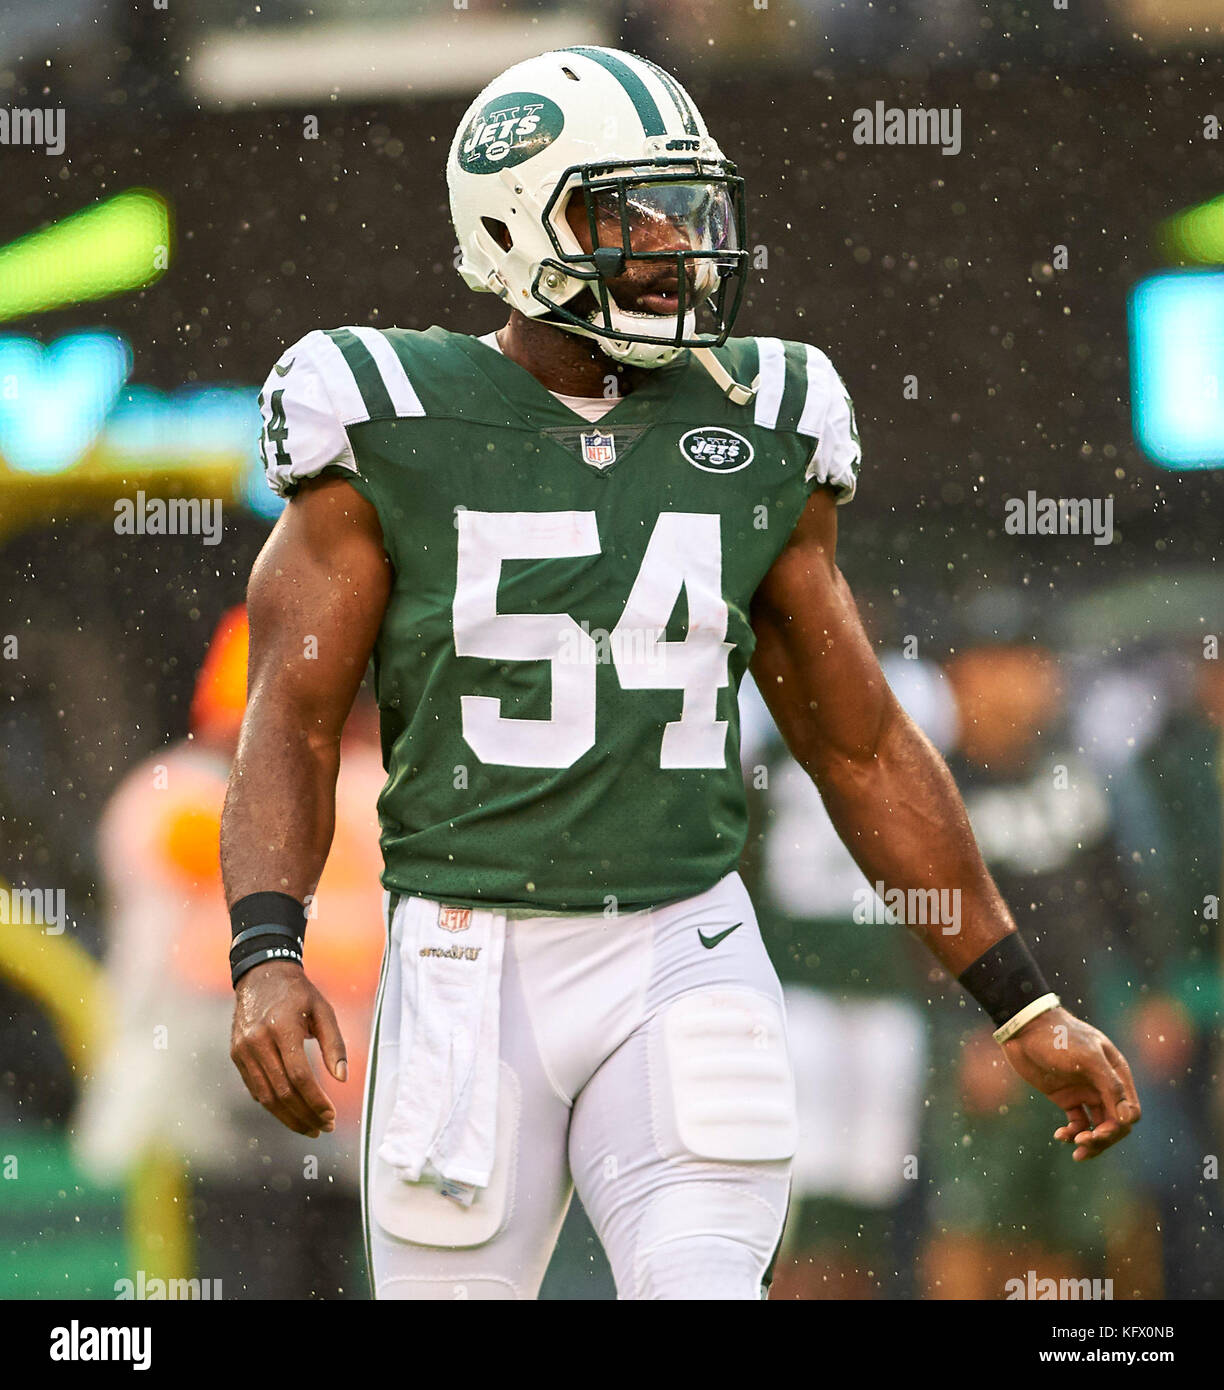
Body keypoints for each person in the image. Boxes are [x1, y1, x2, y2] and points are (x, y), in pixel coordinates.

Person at [222, 46, 1140, 1301]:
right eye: (627, 211)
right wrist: (266, 950)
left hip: (681, 943)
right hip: (463, 961)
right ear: (512, 222)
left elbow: (859, 743)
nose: (674, 245)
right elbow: (292, 719)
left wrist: (1021, 1001)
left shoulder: (765, 417)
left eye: (687, 208)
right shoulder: (383, 413)